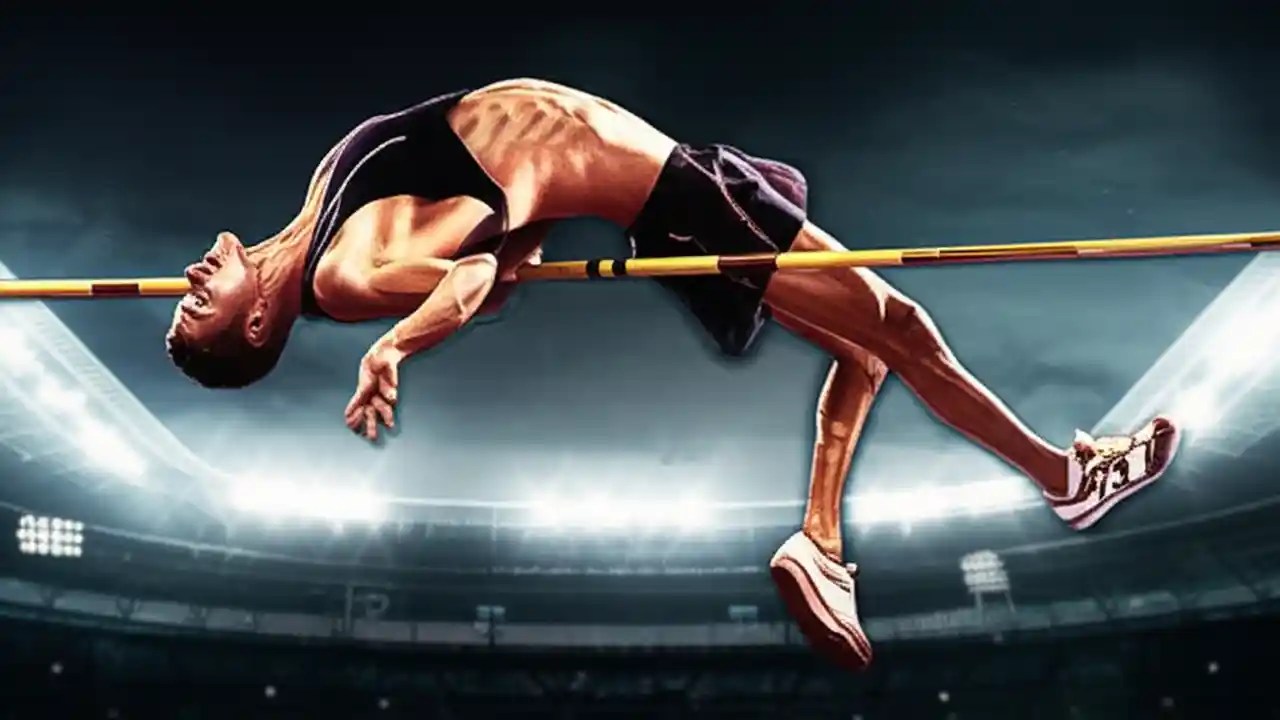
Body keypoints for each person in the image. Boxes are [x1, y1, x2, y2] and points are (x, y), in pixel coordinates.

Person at [164, 78, 1179, 670]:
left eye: (180, 295)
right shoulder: (344, 274)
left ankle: (821, 540)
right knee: (902, 326)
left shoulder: (315, 222)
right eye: (198, 305)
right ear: (258, 323)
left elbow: (497, 236)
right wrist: (394, 347)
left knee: (865, 350)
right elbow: (472, 273)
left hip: (672, 182)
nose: (189, 280)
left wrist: (529, 215)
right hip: (678, 194)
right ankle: (1065, 482)